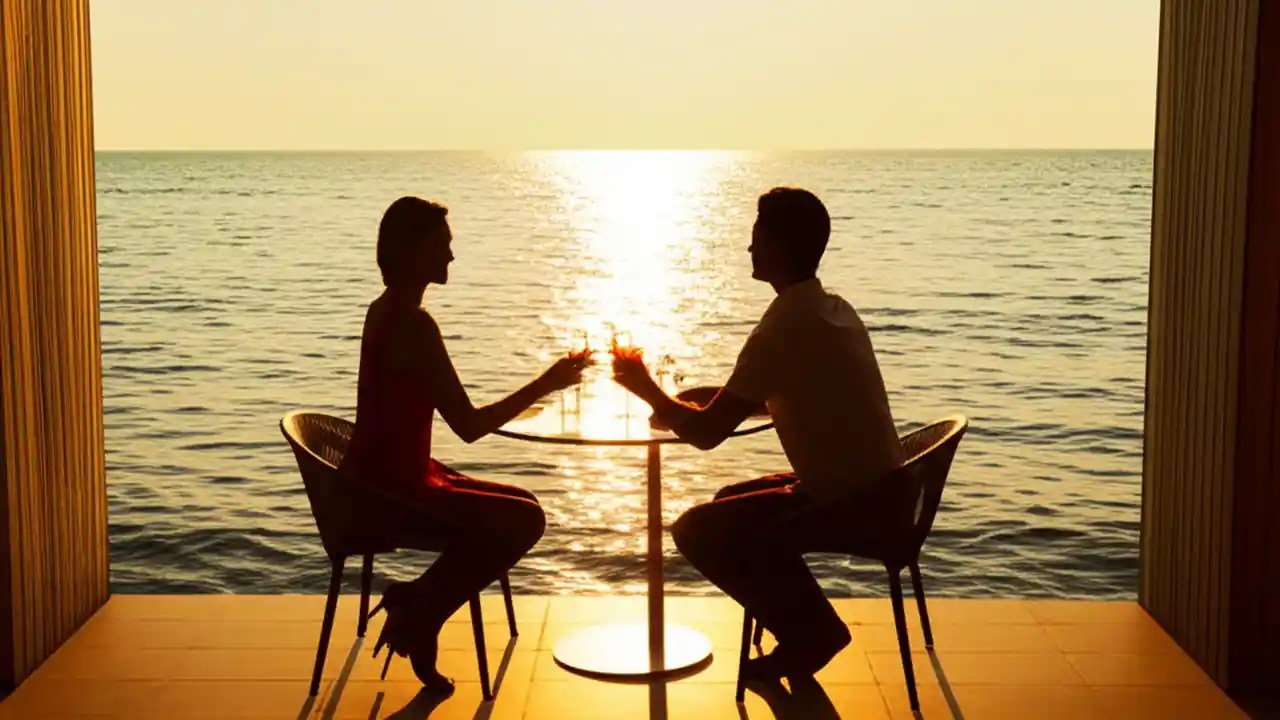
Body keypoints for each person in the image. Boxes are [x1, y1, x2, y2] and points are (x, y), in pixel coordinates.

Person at [611, 187, 905, 682]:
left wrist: (646, 389)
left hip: (852, 503)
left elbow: (707, 434)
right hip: (886, 487)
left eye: (758, 239)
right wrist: (716, 394)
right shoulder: (831, 309)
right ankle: (799, 626)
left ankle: (815, 632)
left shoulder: (781, 329)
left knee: (695, 529)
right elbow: (789, 391)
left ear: (780, 248)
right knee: (729, 502)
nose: (750, 248)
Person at [339, 196, 590, 694]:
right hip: (392, 491)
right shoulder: (414, 325)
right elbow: (470, 426)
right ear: (411, 252)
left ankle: (417, 599)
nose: (451, 255)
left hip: (374, 476)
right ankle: (423, 613)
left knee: (523, 504)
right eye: (441, 245)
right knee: (525, 520)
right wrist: (547, 382)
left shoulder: (383, 309)